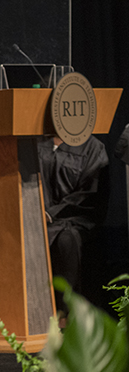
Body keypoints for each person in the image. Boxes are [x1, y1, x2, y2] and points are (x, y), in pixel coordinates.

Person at [38, 134, 110, 316]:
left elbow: (90, 192)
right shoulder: (33, 142)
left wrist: (51, 213)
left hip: (76, 217)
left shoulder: (92, 147)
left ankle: (67, 313)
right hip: (37, 218)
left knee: (66, 239)